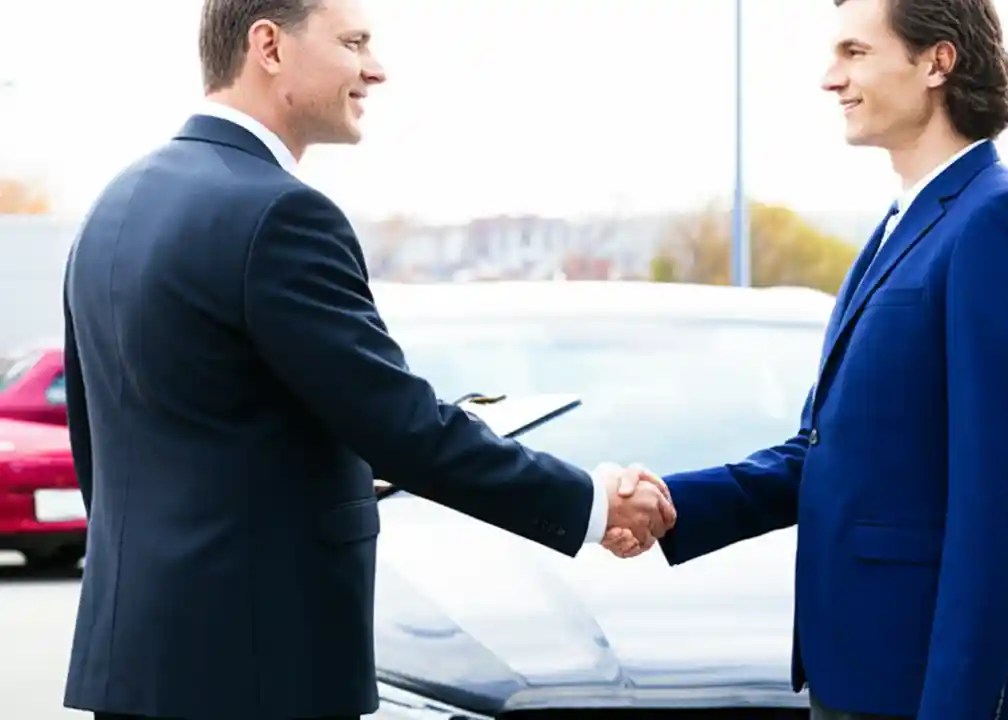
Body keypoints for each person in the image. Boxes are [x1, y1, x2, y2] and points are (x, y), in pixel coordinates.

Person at [60, 1, 672, 719]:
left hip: (132, 665)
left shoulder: (113, 206)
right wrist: (595, 506)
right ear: (268, 46)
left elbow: (105, 448)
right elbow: (403, 426)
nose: (374, 69)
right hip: (258, 674)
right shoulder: (280, 214)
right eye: (353, 42)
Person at [606, 0, 1008, 718]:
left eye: (854, 53)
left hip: (923, 686)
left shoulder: (996, 221)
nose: (831, 79)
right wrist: (675, 505)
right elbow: (824, 453)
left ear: (937, 62)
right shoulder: (903, 224)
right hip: (857, 670)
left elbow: (996, 500)